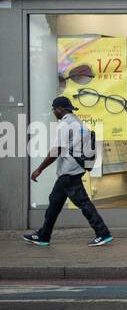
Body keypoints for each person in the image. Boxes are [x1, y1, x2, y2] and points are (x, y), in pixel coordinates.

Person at [24, 96, 113, 247]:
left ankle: (103, 233)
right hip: (75, 169)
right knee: (54, 201)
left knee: (84, 203)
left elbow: (56, 150)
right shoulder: (78, 122)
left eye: (54, 109)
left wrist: (39, 169)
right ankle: (44, 235)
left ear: (61, 109)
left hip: (68, 173)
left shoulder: (65, 125)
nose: (53, 112)